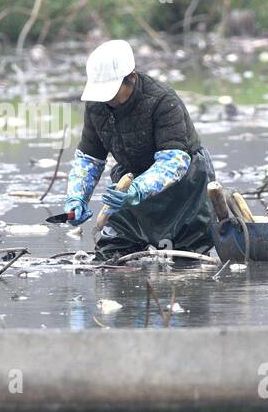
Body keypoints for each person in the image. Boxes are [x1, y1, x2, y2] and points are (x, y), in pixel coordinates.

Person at [63, 39, 215, 259]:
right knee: (112, 256)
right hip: (129, 179)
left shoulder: (162, 100)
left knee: (186, 259)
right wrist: (77, 198)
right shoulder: (96, 105)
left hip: (183, 189)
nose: (108, 100)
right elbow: (89, 157)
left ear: (131, 79)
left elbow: (174, 160)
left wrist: (138, 190)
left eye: (113, 93)